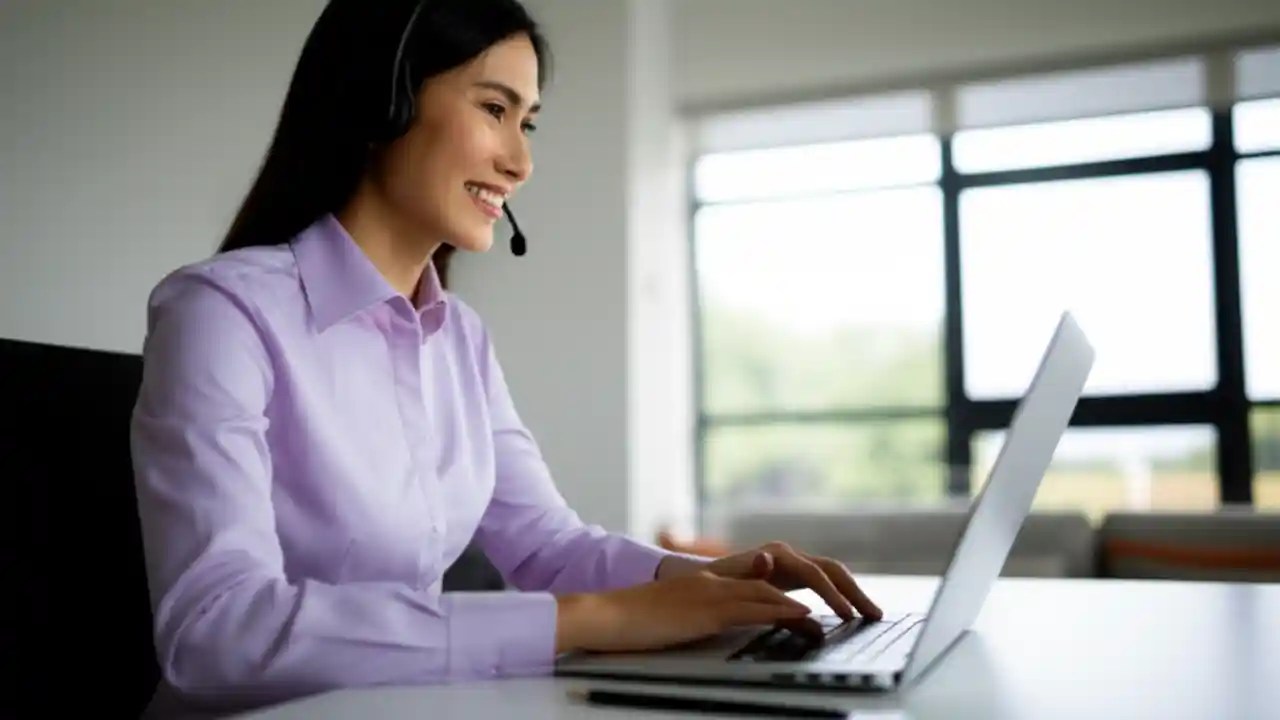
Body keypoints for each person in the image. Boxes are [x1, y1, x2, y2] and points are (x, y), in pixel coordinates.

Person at [130, 0, 881, 717]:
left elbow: (549, 547)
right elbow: (216, 630)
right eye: (493, 110)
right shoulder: (221, 312)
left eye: (527, 122)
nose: (519, 161)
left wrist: (707, 579)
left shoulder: (460, 337)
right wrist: (585, 621)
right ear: (382, 101)